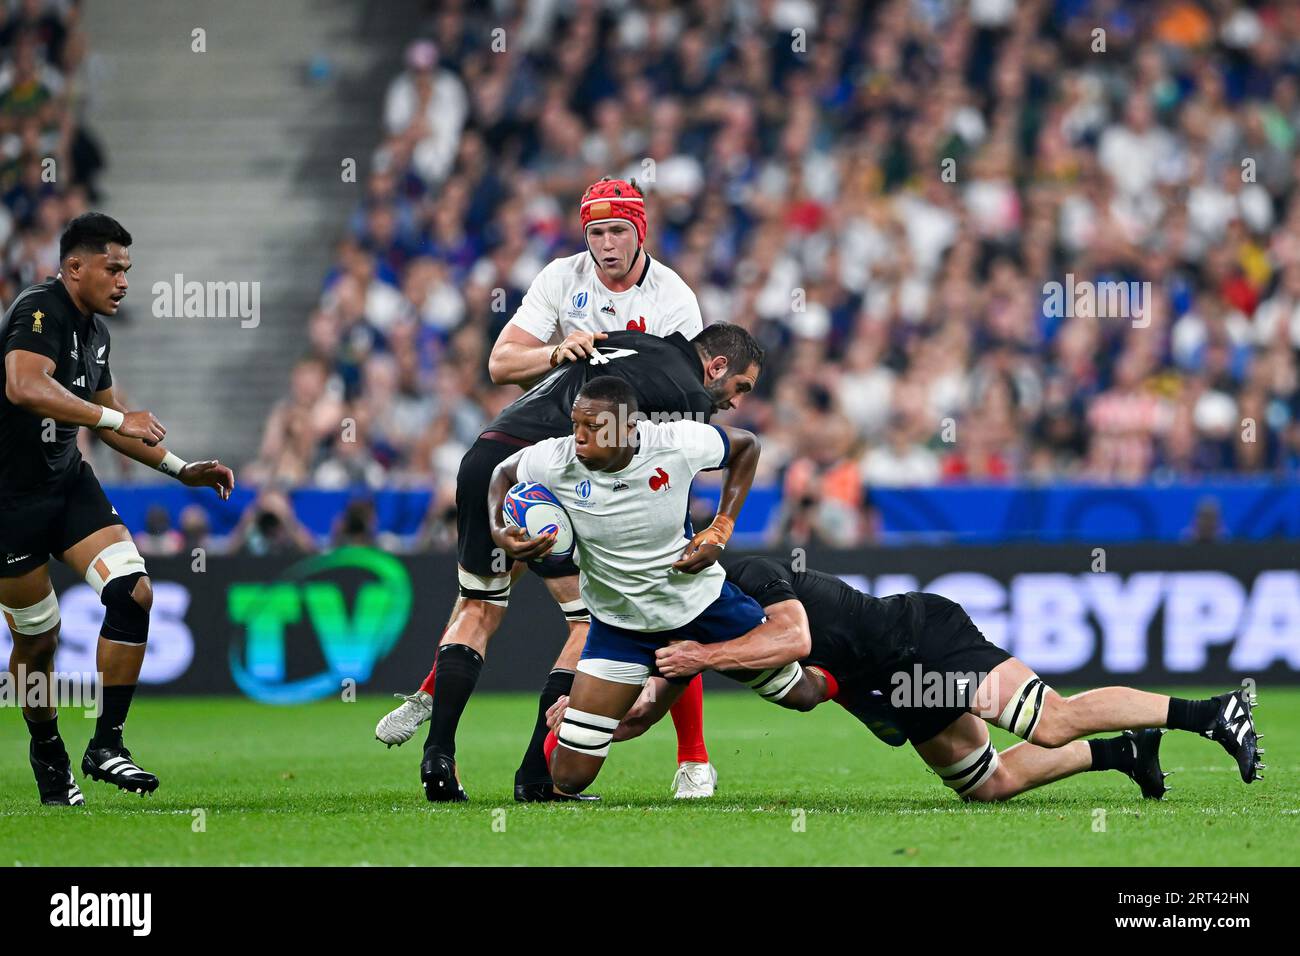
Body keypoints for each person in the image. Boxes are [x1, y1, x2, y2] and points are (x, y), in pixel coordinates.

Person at [376, 175, 724, 799]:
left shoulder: (673, 297)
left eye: (618, 230)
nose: (607, 244)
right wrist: (560, 350)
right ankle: (513, 772)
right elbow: (501, 364)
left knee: (508, 606)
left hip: (606, 465)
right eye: (596, 231)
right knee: (612, 611)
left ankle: (441, 709)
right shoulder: (563, 278)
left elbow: (681, 405)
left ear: (641, 231)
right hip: (533, 462)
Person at [573, 555, 1265, 803]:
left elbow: (795, 638)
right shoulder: (691, 627)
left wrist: (707, 662)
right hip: (888, 679)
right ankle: (1122, 751)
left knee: (1048, 716)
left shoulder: (745, 574)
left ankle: (1211, 712)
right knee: (987, 784)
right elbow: (808, 691)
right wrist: (605, 718)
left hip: (921, 636)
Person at [406, 321, 761, 802]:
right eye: (739, 387)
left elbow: (508, 369)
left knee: (477, 608)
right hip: (551, 477)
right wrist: (714, 531)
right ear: (716, 366)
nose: (734, 401)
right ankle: (537, 777)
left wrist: (496, 527)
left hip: (488, 460)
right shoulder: (688, 394)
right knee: (586, 621)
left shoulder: (629, 340)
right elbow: (675, 488)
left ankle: (438, 755)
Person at [0, 213, 233, 805]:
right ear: (74, 267)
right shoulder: (39, 310)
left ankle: (106, 743)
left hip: (66, 485)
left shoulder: (96, 333)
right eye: (114, 267)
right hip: (10, 501)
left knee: (133, 592)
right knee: (38, 643)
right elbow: (24, 387)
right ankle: (48, 749)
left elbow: (112, 426)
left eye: (128, 268)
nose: (124, 279)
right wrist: (111, 417)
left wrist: (182, 469)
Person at [485, 377, 762, 799]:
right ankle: (567, 750)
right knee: (570, 774)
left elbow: (746, 445)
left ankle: (694, 757)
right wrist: (499, 530)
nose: (578, 436)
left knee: (797, 688)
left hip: (686, 597)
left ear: (626, 426)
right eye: (575, 423)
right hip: (615, 617)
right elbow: (503, 472)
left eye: (591, 426)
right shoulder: (556, 457)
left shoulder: (673, 441)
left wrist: (721, 527)